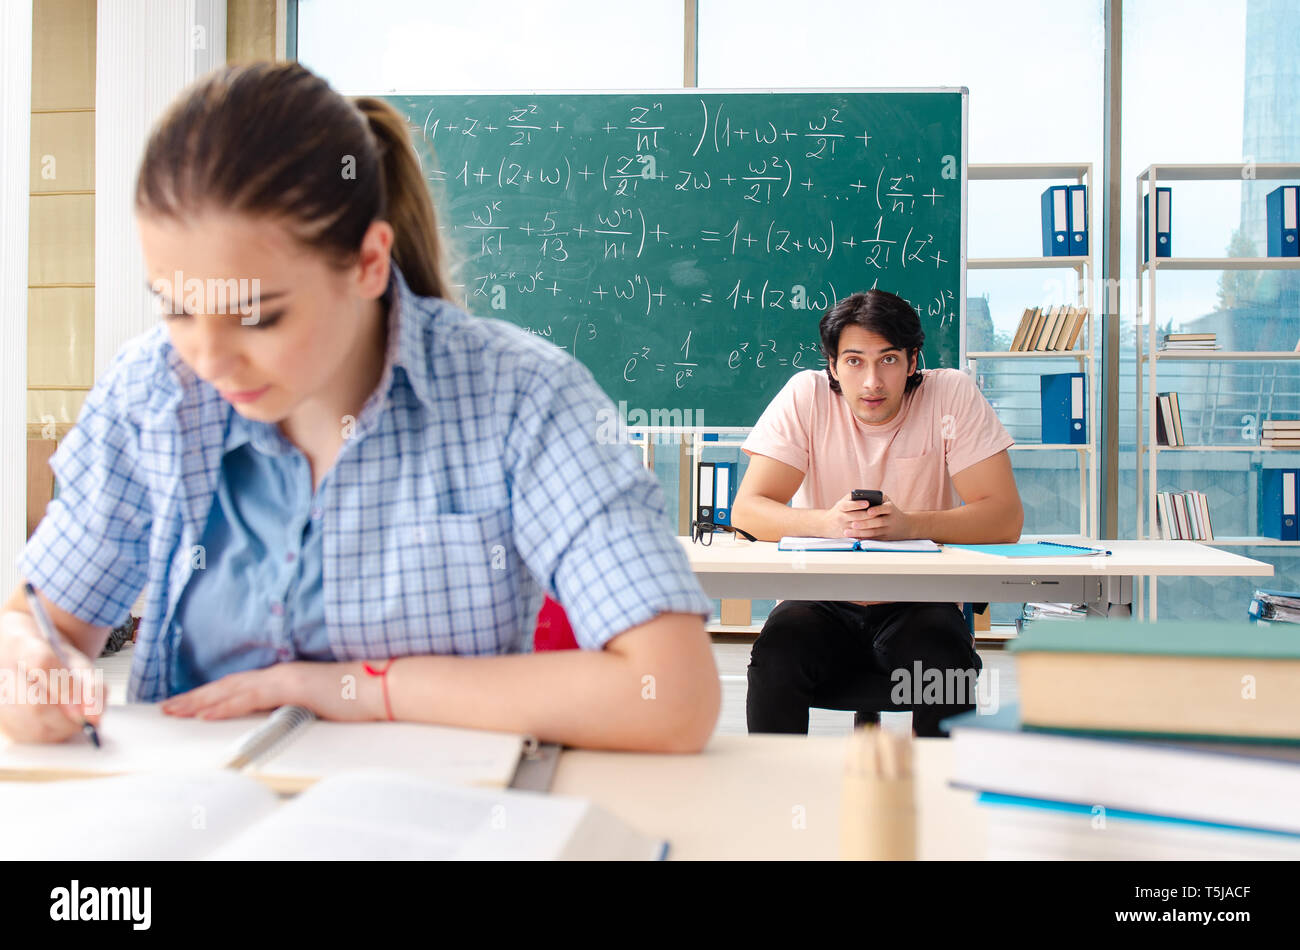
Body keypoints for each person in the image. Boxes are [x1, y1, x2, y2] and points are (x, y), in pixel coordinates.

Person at [0, 62, 719, 752]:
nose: (207, 360)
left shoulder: (521, 396)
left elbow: (669, 692)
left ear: (369, 262)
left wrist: (355, 688)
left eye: (255, 316)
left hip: (429, 821)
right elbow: (40, 625)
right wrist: (28, 668)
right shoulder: (149, 393)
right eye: (176, 308)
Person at [732, 290, 1023, 737]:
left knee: (944, 664)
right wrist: (827, 525)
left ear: (912, 361)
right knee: (778, 654)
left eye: (887, 360)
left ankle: (939, 797)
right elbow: (748, 510)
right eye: (854, 362)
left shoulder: (950, 394)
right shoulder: (806, 395)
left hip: (920, 597)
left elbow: (1004, 518)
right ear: (832, 366)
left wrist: (910, 525)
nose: (872, 382)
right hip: (820, 596)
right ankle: (776, 801)